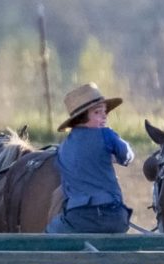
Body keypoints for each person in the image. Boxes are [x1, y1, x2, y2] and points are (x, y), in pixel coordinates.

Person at [46, 82, 134, 234]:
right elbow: (127, 156)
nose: (104, 116)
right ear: (82, 118)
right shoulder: (106, 135)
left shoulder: (62, 149)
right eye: (97, 112)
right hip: (114, 218)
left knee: (49, 233)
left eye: (104, 112)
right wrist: (113, 156)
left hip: (78, 220)